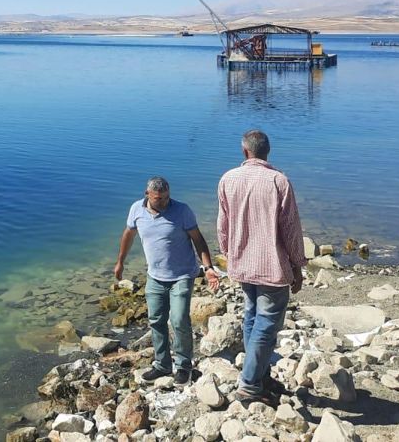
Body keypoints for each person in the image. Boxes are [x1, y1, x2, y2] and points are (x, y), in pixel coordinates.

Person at [217, 129, 306, 405]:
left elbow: (223, 225)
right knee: (266, 324)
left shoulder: (228, 179)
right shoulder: (278, 181)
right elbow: (290, 229)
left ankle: (261, 375)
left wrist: (229, 254)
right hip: (272, 267)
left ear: (245, 151)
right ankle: (249, 383)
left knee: (252, 317)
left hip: (243, 263)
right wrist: (298, 265)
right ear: (268, 151)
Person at [114, 176, 220, 385]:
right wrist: (120, 262)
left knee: (179, 319)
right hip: (155, 276)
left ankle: (184, 366)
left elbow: (198, 240)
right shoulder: (136, 209)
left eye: (166, 197)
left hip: (182, 275)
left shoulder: (182, 211)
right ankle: (162, 365)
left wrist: (208, 268)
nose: (164, 202)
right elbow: (128, 234)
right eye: (158, 199)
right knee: (156, 320)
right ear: (147, 195)